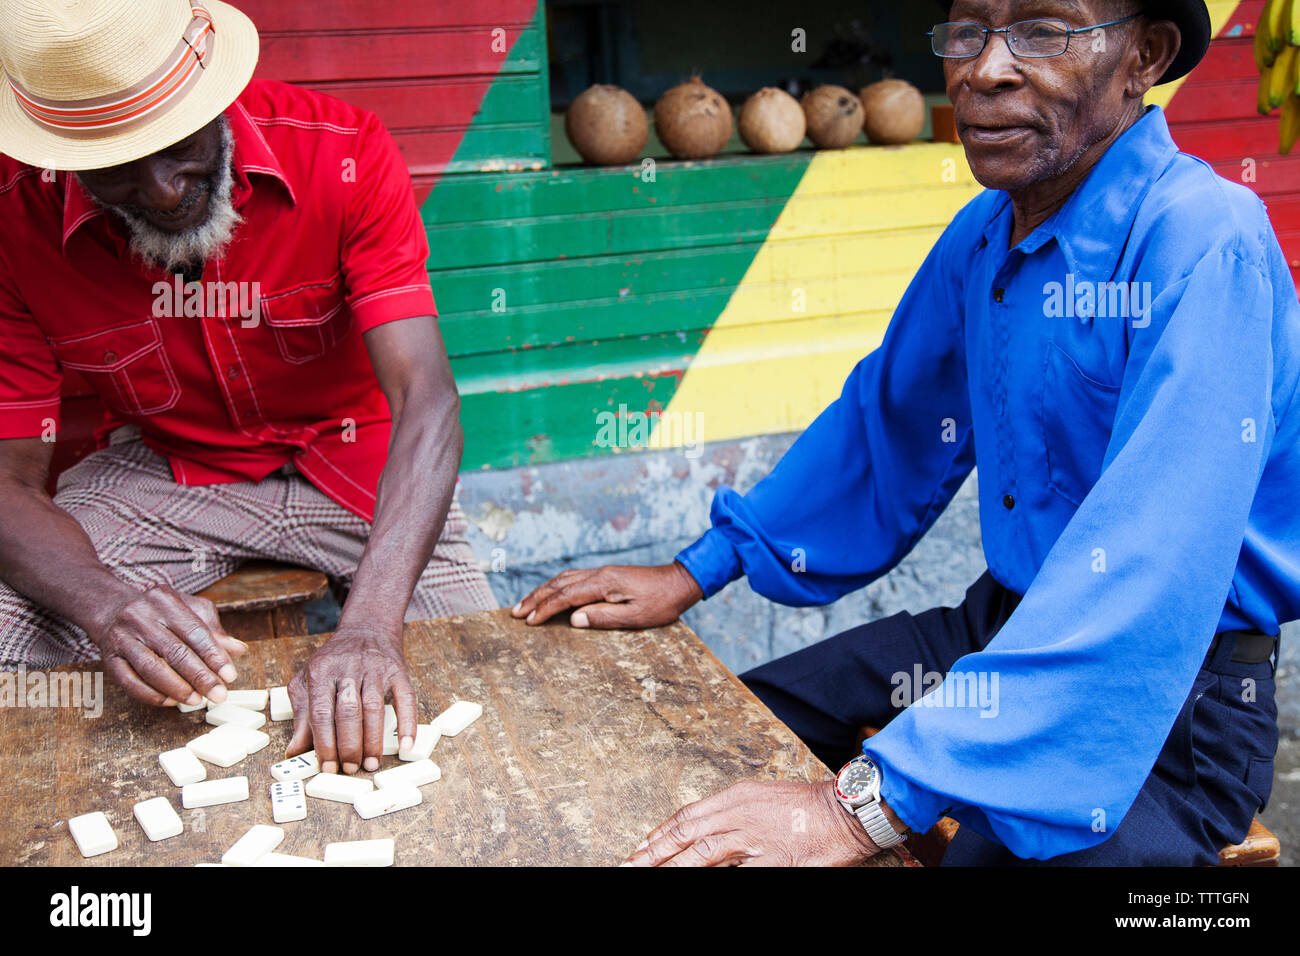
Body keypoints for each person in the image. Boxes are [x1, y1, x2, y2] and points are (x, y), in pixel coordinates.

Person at [517, 0, 1300, 865]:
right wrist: (696, 570)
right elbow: (888, 424)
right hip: (998, 631)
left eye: (1043, 30)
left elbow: (1152, 570)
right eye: (969, 31)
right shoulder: (988, 233)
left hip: (1168, 706)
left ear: (1143, 55)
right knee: (738, 727)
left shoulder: (1202, 238)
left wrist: (857, 810)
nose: (986, 69)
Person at [0, 0, 496, 776]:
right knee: (9, 643)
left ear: (214, 94)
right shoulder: (13, 218)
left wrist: (368, 626)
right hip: (166, 471)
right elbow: (7, 481)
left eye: (177, 143)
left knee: (479, 687)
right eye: (118, 166)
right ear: (60, 150)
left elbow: (428, 401)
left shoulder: (345, 152)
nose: (163, 190)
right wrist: (106, 605)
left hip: (358, 467)